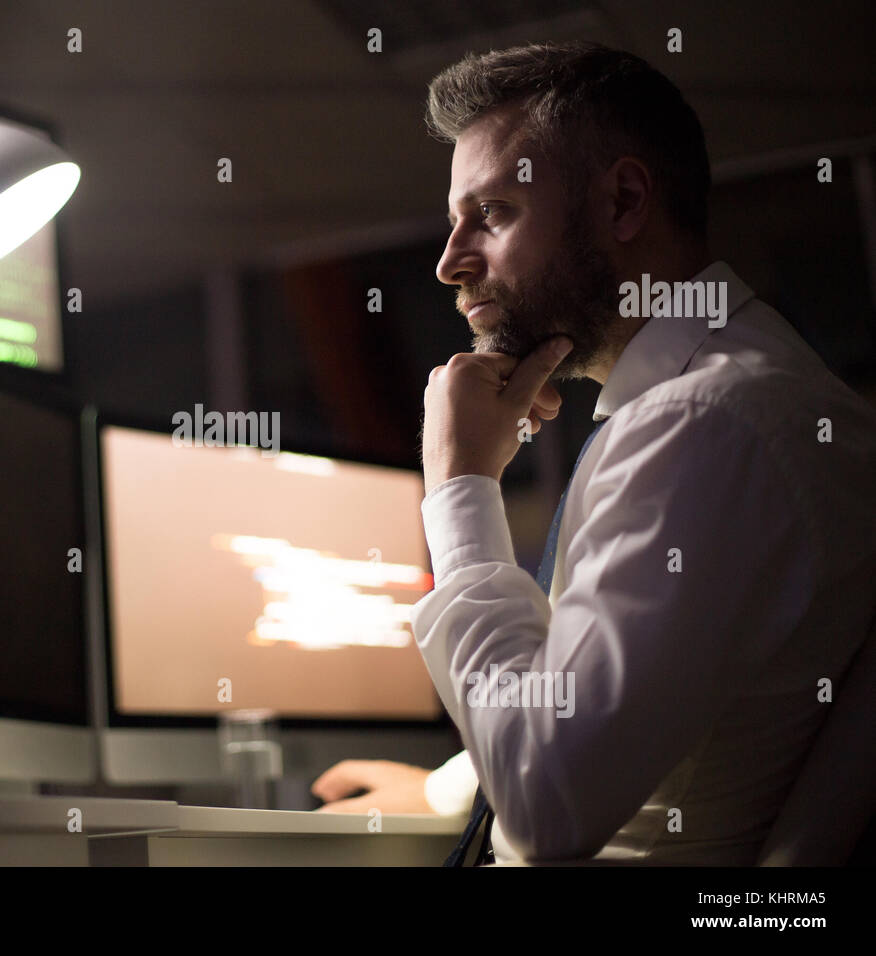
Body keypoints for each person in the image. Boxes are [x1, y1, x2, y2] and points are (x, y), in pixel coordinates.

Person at [312, 41, 876, 864]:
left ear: (622, 202)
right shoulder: (751, 393)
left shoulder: (701, 426)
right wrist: (447, 787)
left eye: (493, 214)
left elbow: (546, 805)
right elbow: (664, 699)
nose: (448, 263)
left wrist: (461, 485)